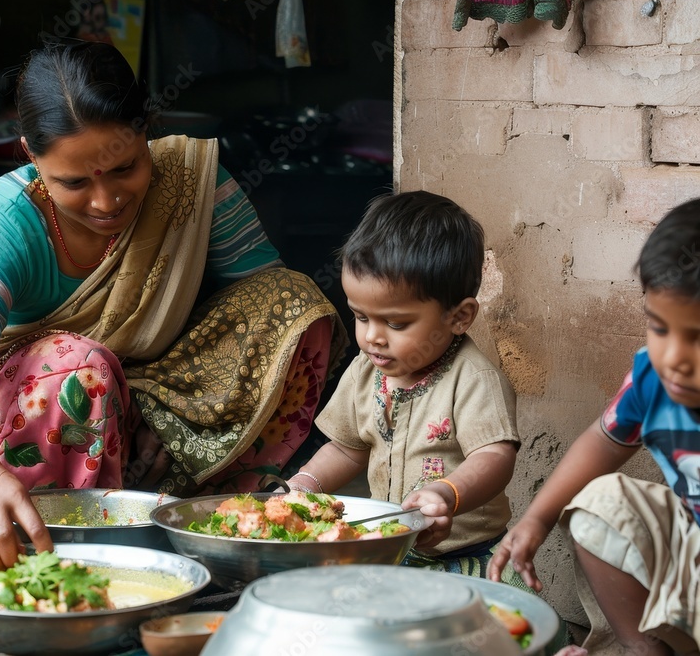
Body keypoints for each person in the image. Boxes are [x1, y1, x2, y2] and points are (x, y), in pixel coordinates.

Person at [0, 40, 346, 571]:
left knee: (293, 303)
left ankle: (218, 517)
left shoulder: (189, 183)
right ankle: (50, 552)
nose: (106, 201)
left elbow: (267, 327)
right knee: (79, 370)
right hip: (24, 435)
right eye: (73, 182)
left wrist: (165, 413)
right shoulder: (6, 222)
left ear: (147, 130)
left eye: (125, 168)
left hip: (154, 425)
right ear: (30, 156)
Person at [489, 199, 700, 656]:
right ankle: (641, 650)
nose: (675, 357)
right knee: (599, 504)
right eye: (659, 328)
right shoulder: (652, 378)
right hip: (693, 558)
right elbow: (602, 443)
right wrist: (536, 520)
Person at [286, 191, 523, 576]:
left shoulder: (473, 379)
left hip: (466, 558)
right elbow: (348, 450)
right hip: (388, 551)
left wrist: (446, 494)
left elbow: (494, 458)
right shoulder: (367, 370)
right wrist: (305, 483)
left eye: (396, 323)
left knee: (511, 626)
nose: (373, 337)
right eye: (361, 317)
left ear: (459, 317)